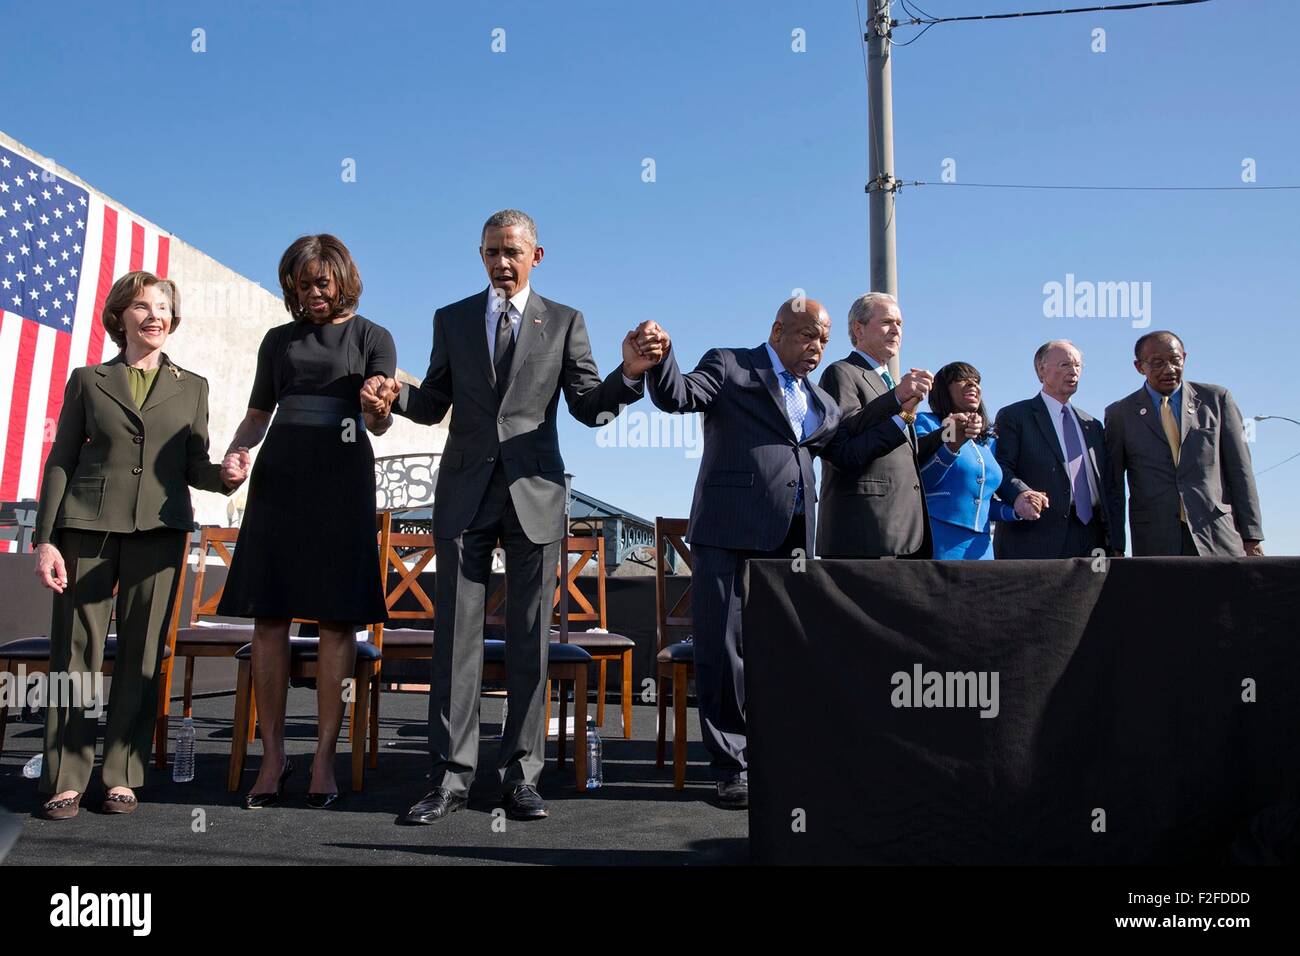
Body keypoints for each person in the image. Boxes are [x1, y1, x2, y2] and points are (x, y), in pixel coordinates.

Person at [362, 209, 665, 825]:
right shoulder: (451, 319)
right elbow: (434, 402)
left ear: (537, 255)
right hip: (465, 494)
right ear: (480, 256)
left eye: (512, 252)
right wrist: (394, 398)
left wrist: (629, 373)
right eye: (490, 252)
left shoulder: (566, 321)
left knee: (531, 640)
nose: (501, 262)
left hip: (535, 493)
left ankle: (521, 776)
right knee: (455, 640)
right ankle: (449, 777)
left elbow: (586, 405)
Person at [643, 297, 910, 808]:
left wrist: (898, 420)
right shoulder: (731, 364)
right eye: (809, 335)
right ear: (778, 329)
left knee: (776, 651)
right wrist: (664, 355)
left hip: (791, 541)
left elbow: (847, 453)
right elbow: (678, 395)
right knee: (723, 652)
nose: (817, 348)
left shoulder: (820, 402)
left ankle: (769, 752)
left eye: (825, 341)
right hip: (727, 532)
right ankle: (729, 766)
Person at [32, 271, 244, 819]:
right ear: (120, 315)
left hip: (161, 529)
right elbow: (61, 459)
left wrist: (225, 475)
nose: (156, 315)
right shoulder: (87, 379)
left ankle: (122, 774)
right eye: (144, 305)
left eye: (165, 307)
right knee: (73, 655)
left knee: (142, 654)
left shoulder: (192, 386)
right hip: (86, 527)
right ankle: (64, 776)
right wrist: (46, 539)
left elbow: (192, 463)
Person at [218, 235, 396, 810]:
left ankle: (323, 756)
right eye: (302, 284)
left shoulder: (374, 337)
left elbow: (381, 423)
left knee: (337, 623)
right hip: (279, 480)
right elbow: (256, 415)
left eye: (322, 282)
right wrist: (237, 453)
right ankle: (272, 756)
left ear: (343, 278)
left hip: (342, 480)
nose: (313, 293)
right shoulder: (277, 341)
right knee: (269, 619)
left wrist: (377, 403)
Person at [1104, 331, 1263, 556]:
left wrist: (1252, 536)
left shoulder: (1217, 400)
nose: (1169, 369)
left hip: (1217, 536)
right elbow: (1113, 486)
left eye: (1175, 360)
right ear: (1139, 367)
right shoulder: (1120, 414)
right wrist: (1116, 545)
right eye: (1157, 363)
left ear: (1184, 358)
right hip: (1155, 541)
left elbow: (1240, 472)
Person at [816, 292, 936, 558]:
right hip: (866, 532)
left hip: (906, 534)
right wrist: (897, 401)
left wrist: (946, 439)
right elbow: (845, 445)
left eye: (900, 324)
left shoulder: (889, 381)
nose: (896, 330)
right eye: (887, 322)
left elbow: (903, 454)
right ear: (858, 328)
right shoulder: (841, 373)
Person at [993, 339, 1114, 559]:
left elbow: (1107, 482)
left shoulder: (1093, 425)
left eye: (1077, 366)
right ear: (1041, 370)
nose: (1073, 372)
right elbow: (1000, 467)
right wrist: (1021, 493)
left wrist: (1114, 539)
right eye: (1065, 365)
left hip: (1091, 538)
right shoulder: (1015, 416)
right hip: (1036, 536)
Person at [914, 362, 1034, 559]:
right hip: (938, 543)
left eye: (977, 381)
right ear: (943, 389)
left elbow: (981, 503)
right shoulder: (925, 423)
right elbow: (922, 483)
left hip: (982, 549)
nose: (973, 384)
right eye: (961, 379)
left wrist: (1016, 510)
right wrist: (951, 446)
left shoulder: (988, 441)